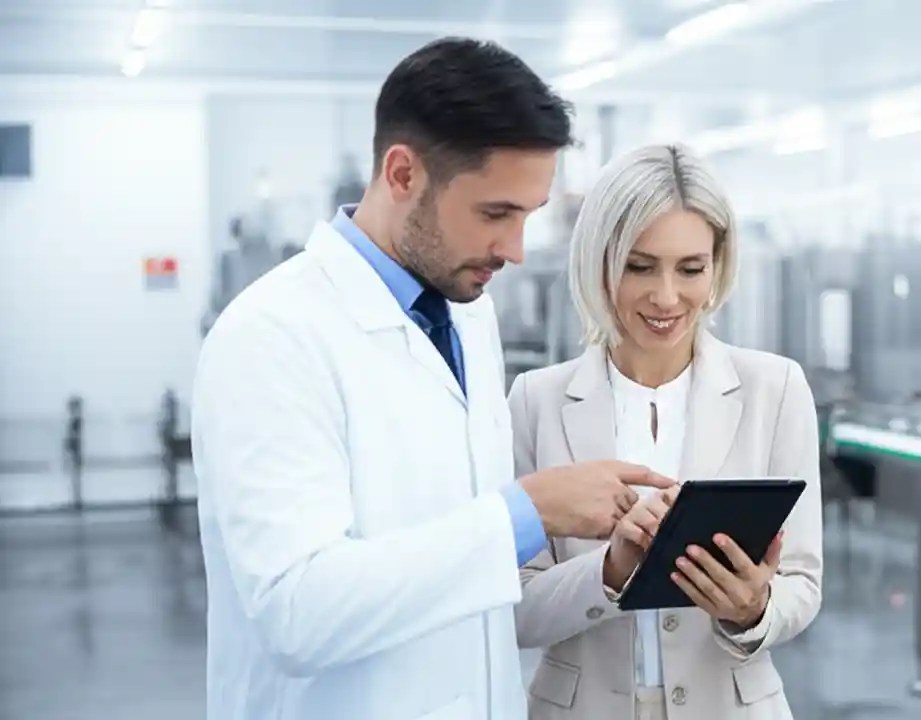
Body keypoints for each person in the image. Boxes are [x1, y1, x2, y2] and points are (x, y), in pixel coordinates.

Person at [190, 39, 673, 720]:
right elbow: (297, 612)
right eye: (495, 214)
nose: (514, 249)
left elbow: (461, 569)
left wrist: (603, 561)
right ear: (402, 174)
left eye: (528, 215)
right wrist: (527, 514)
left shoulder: (468, 313)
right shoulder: (271, 335)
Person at [508, 144, 824, 719]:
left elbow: (802, 581)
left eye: (691, 269)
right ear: (600, 262)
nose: (666, 296)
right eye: (639, 266)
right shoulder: (536, 401)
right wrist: (609, 571)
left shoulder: (774, 389)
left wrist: (753, 609)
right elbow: (514, 608)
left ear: (717, 266)